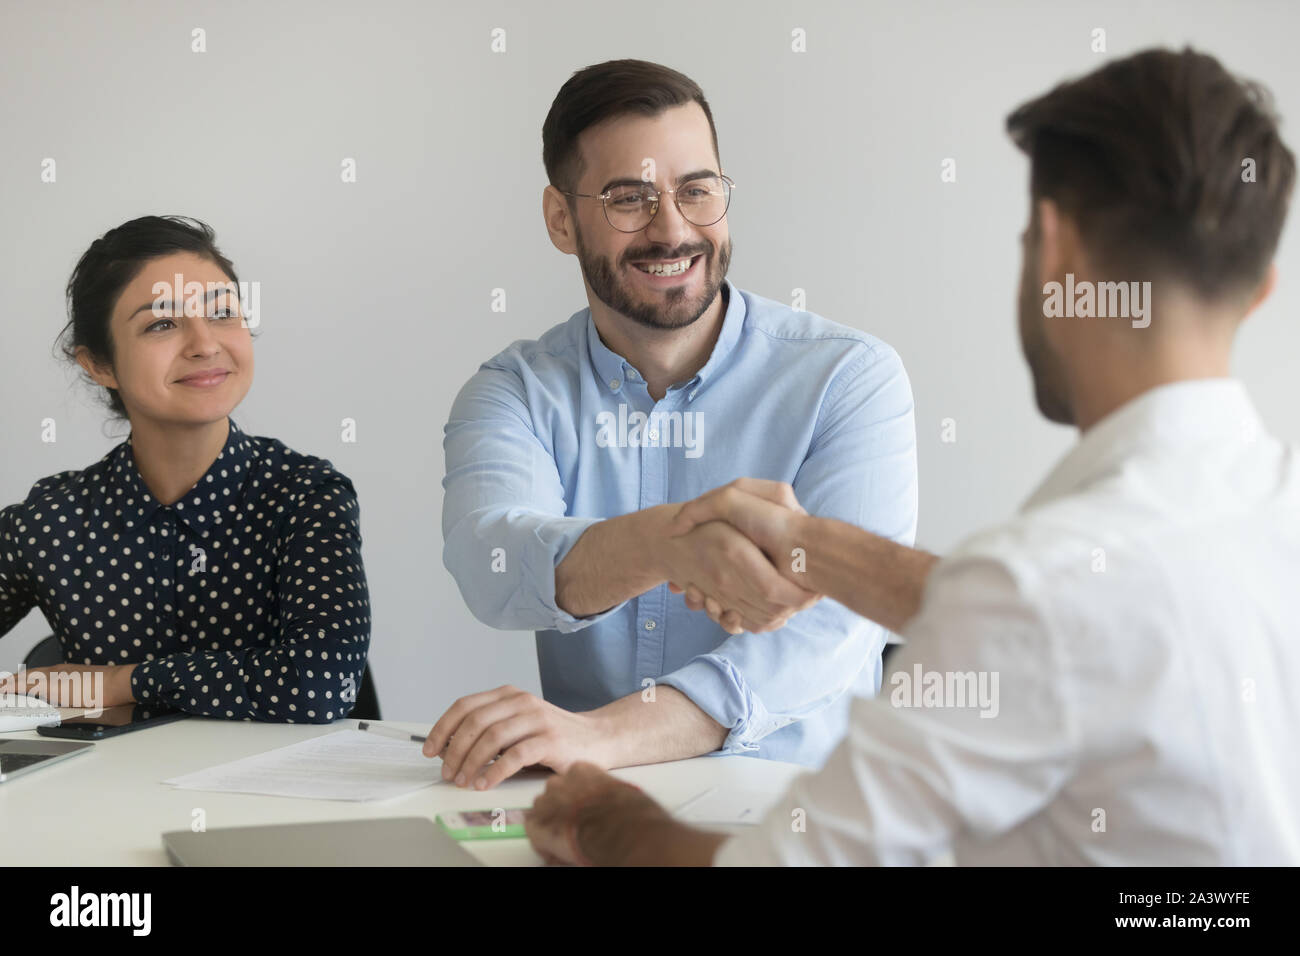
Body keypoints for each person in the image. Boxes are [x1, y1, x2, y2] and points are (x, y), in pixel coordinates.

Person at [525, 47, 1300, 865]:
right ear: (1259, 289)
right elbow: (1074, 623)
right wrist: (811, 545)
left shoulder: (1032, 587)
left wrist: (593, 815)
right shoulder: (1264, 515)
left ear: (1057, 249)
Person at [430, 59, 918, 790]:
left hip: (801, 819)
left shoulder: (849, 378)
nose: (672, 229)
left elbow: (833, 632)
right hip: (594, 816)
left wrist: (603, 736)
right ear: (562, 220)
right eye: (630, 198)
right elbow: (491, 564)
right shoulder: (514, 391)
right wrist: (669, 544)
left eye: (697, 191)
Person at [0, 216, 371, 722]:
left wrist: (117, 682)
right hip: (102, 799)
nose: (204, 343)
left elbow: (319, 688)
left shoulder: (305, 496)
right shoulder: (53, 520)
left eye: (222, 314)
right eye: (162, 324)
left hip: (275, 800)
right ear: (99, 365)